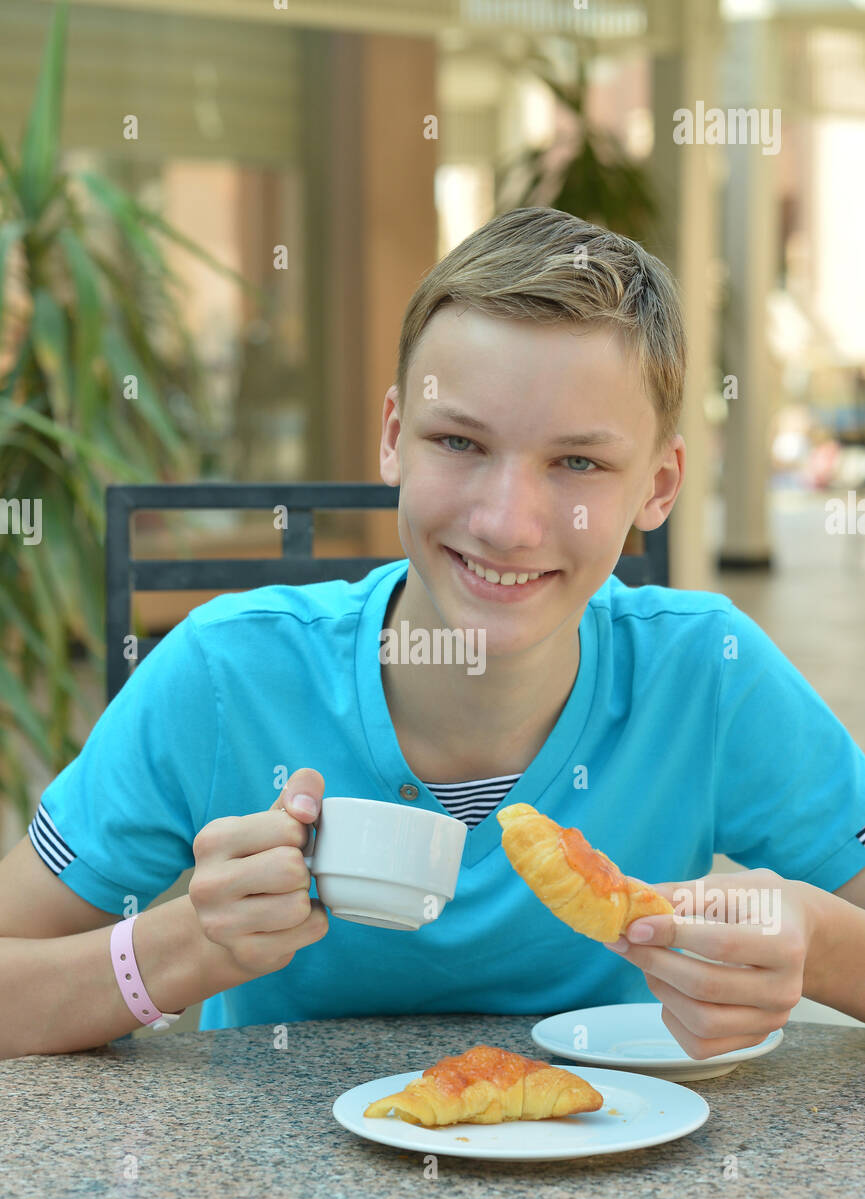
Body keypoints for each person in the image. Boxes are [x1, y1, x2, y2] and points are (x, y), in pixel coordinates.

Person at [2, 206, 864, 1062]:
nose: (506, 522)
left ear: (660, 484)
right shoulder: (225, 670)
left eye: (578, 463)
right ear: (392, 438)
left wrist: (817, 944)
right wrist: (190, 944)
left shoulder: (707, 673)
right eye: (459, 441)